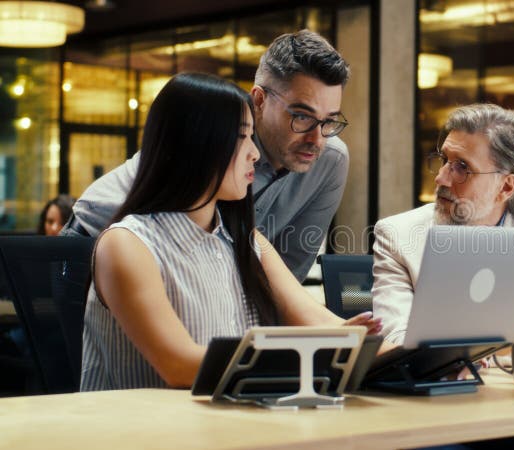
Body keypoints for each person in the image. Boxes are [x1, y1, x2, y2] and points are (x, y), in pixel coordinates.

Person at [80, 73, 380, 391]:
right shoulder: (126, 244)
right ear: (195, 144)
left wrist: (366, 339)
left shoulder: (245, 240)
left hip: (228, 427)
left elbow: (316, 319)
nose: (254, 153)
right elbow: (180, 365)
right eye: (242, 137)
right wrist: (307, 354)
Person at [62, 29, 350, 282]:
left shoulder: (331, 160)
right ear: (260, 100)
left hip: (188, 269)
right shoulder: (215, 133)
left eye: (329, 121)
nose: (316, 139)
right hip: (94, 241)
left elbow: (288, 270)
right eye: (302, 117)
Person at [371, 103, 514, 366]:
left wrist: (470, 345)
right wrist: (503, 328)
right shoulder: (397, 235)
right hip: (436, 403)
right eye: (444, 161)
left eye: (462, 167)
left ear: (506, 186)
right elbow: (398, 345)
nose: (441, 178)